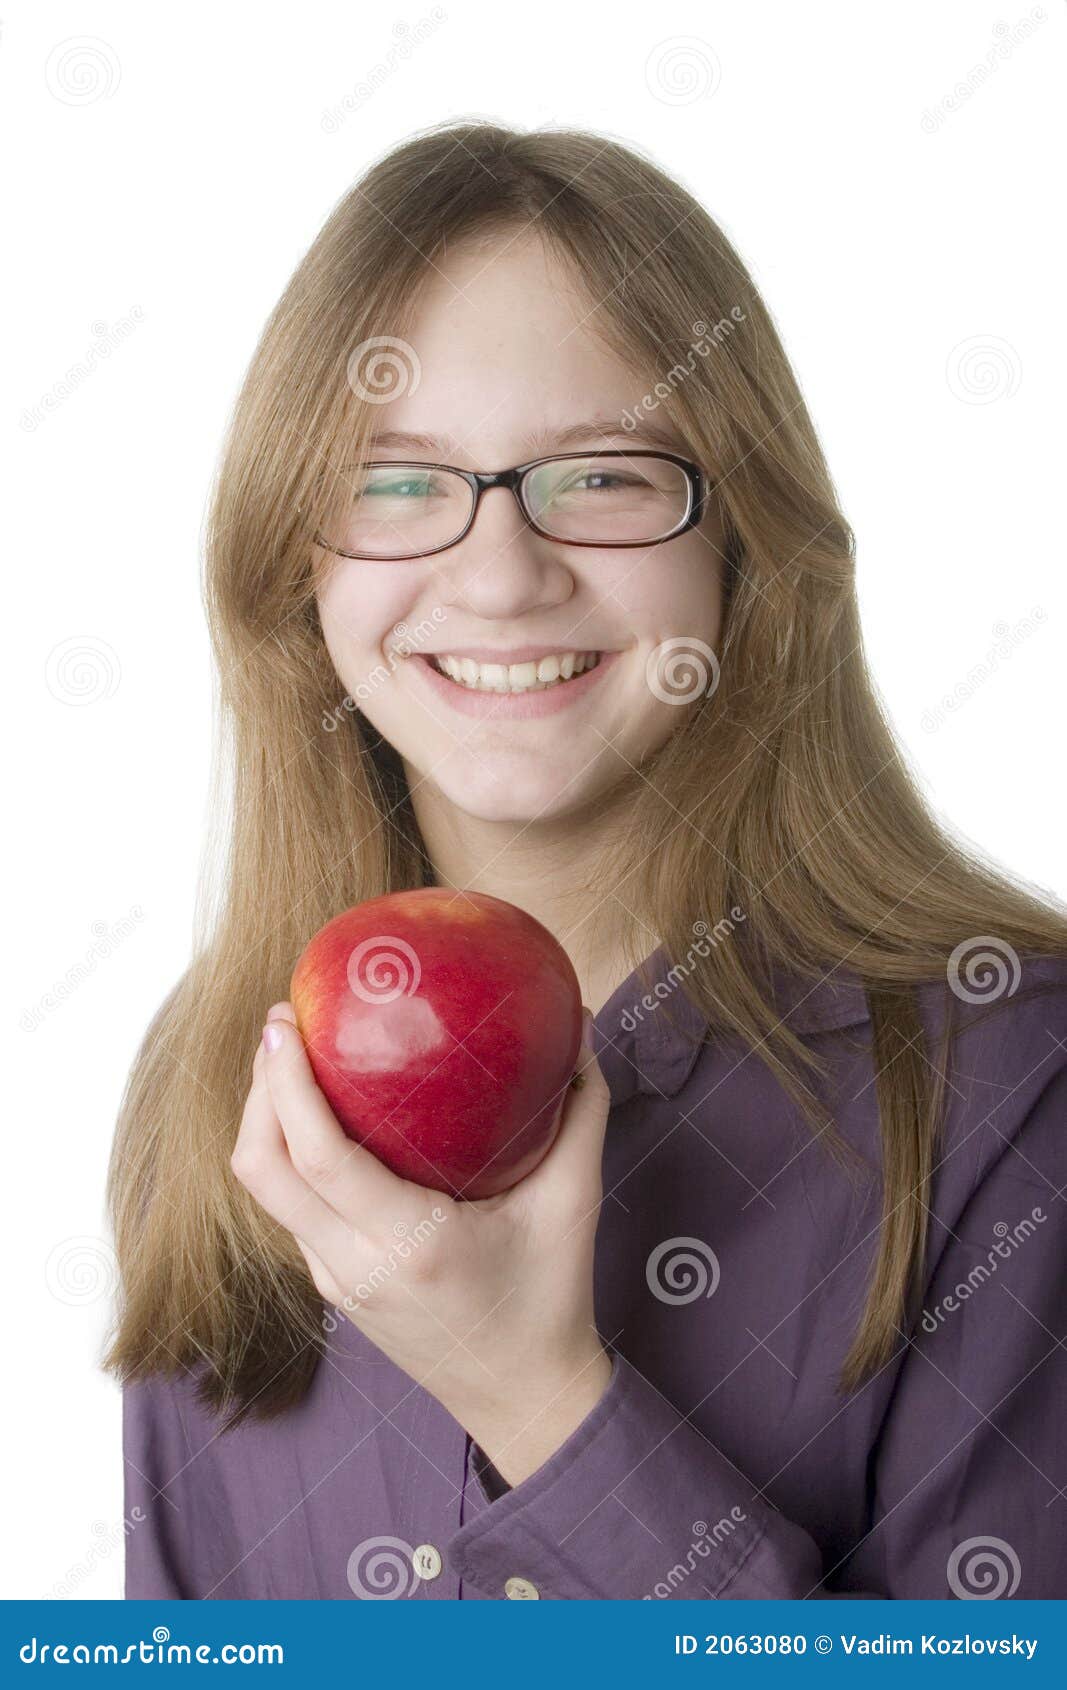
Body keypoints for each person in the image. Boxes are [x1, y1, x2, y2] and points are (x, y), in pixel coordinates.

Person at [105, 119, 1067, 1601]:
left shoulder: (1010, 1079)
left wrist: (541, 1399)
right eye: (398, 481)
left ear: (739, 544)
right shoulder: (225, 1080)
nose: (499, 574)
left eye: (606, 476)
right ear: (296, 567)